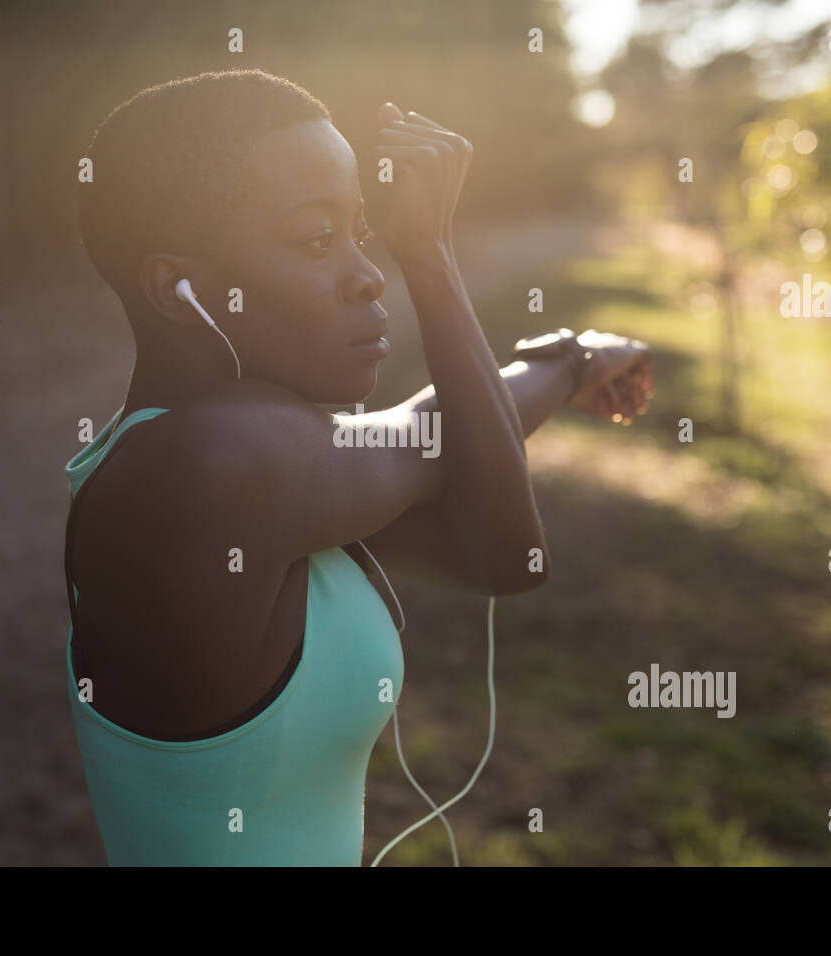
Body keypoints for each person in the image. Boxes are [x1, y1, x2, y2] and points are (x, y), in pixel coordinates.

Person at [64, 68, 654, 865]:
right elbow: (511, 549)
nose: (369, 275)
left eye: (363, 235)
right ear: (182, 288)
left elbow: (457, 482)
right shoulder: (215, 465)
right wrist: (433, 257)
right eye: (316, 239)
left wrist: (573, 359)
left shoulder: (207, 456)